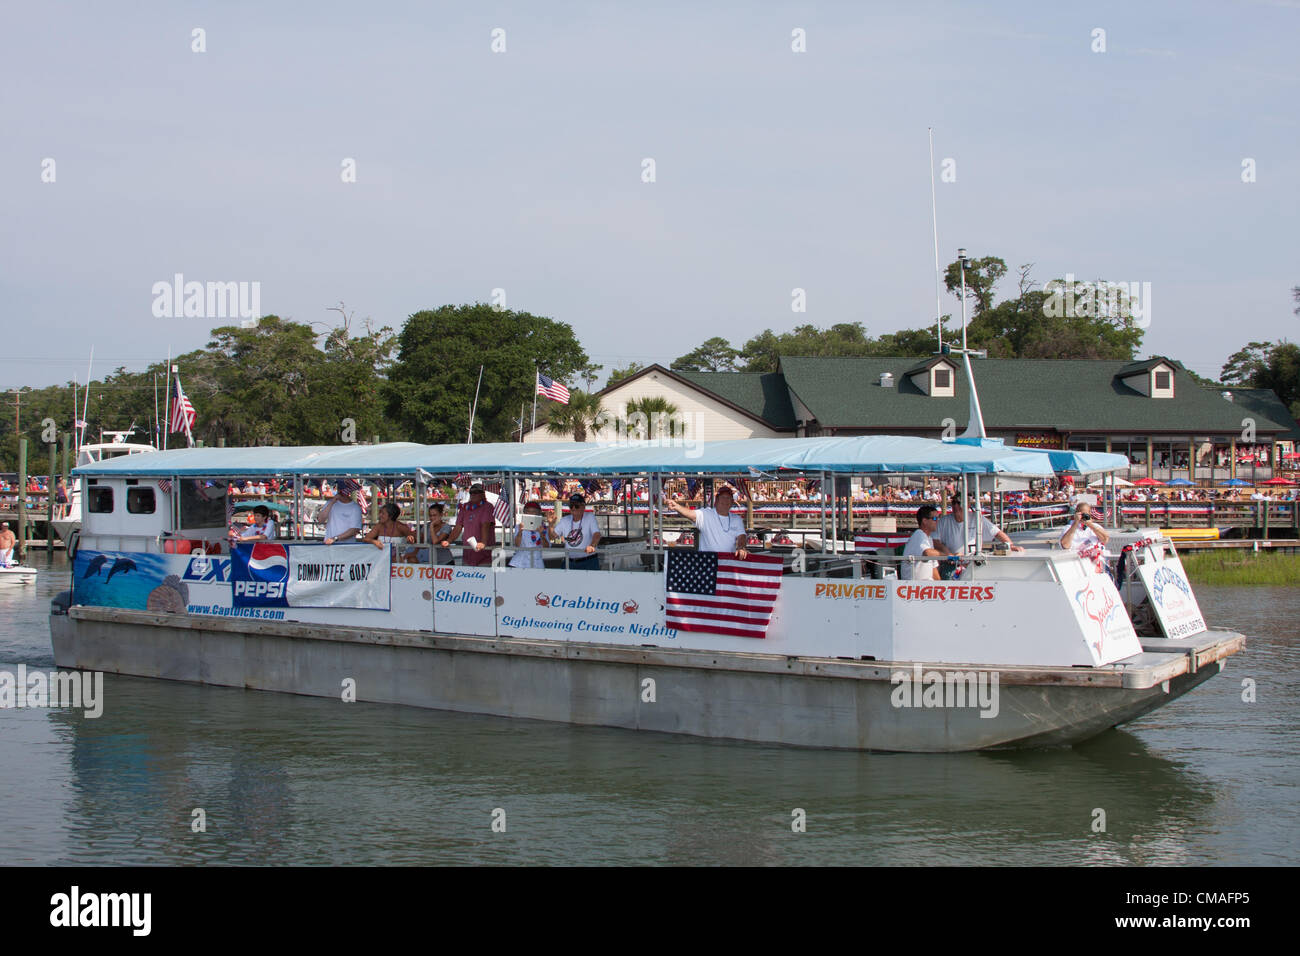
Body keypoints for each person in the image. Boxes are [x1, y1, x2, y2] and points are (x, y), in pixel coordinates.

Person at [663, 484, 748, 557]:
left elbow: (742, 536)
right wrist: (676, 507)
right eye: (723, 497)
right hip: (707, 563)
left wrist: (741, 547)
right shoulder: (706, 514)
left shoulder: (737, 519)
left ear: (732, 501)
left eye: (728, 498)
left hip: (727, 564)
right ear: (717, 499)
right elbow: (690, 514)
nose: (725, 500)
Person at [935, 494, 1023, 555]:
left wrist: (1011, 546)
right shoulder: (943, 521)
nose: (956, 506)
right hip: (951, 562)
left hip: (973, 561)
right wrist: (949, 554)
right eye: (954, 503)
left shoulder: (978, 518)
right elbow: (935, 541)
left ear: (968, 505)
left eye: (959, 503)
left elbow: (998, 533)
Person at [444, 483, 496, 567]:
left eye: (476, 492)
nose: (473, 494)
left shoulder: (488, 506)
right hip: (467, 554)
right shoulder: (464, 507)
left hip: (484, 556)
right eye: (471, 492)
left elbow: (485, 525)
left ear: (482, 494)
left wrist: (483, 543)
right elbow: (458, 527)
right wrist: (448, 541)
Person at [900, 505, 952, 581]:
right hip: (914, 586)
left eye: (938, 518)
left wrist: (941, 585)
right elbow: (927, 553)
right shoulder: (919, 534)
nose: (937, 521)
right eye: (934, 518)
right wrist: (948, 556)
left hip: (926, 586)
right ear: (924, 521)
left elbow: (933, 568)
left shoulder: (929, 539)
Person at [1059, 500, 1110, 573]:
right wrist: (1076, 523)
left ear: (1090, 513)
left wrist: (1090, 525)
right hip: (1079, 566)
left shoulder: (1096, 527)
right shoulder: (1068, 528)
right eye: (1081, 513)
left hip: (1098, 566)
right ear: (1076, 513)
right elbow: (1065, 545)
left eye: (1086, 514)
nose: (1083, 516)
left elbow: (1105, 539)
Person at [554, 494, 602, 569]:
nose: (573, 508)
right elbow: (553, 535)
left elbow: (597, 534)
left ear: (583, 507)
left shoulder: (589, 517)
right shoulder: (564, 520)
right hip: (569, 562)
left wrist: (592, 546)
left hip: (588, 562)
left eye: (576, 506)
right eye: (571, 506)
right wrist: (550, 525)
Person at [509, 501, 556, 569]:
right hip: (520, 563)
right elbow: (517, 545)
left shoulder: (544, 528)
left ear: (538, 513)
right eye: (528, 511)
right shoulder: (519, 526)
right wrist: (520, 532)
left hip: (537, 563)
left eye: (534, 511)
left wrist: (541, 534)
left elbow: (547, 547)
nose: (531, 513)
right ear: (524, 513)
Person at [319, 480, 364, 545]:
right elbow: (320, 520)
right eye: (338, 488)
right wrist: (332, 502)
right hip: (329, 545)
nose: (339, 490)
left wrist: (335, 538)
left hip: (346, 547)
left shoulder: (355, 508)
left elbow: (354, 530)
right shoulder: (329, 503)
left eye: (341, 489)